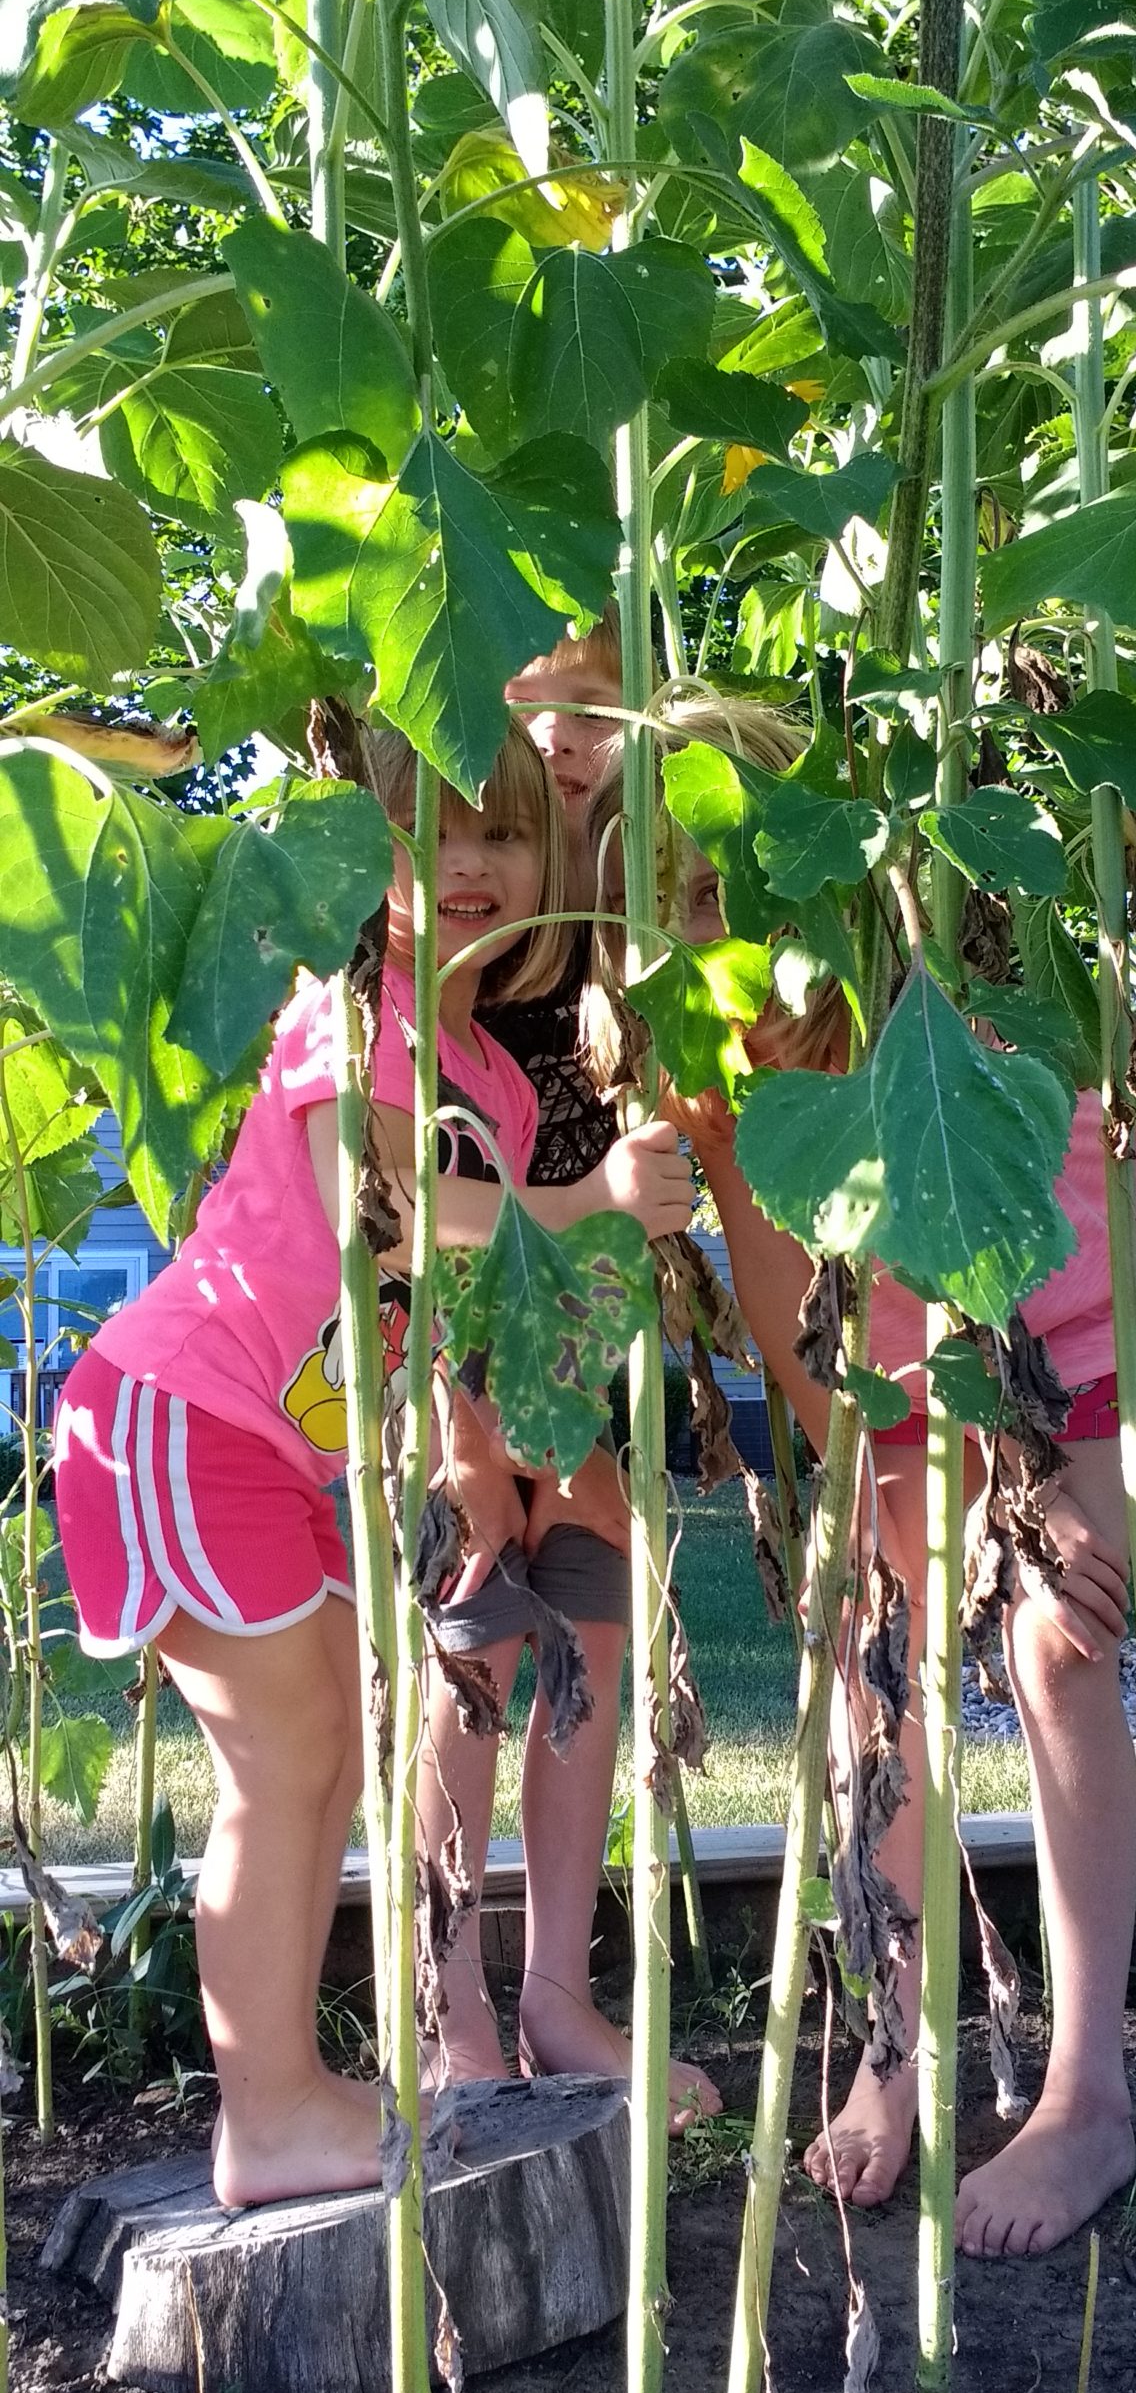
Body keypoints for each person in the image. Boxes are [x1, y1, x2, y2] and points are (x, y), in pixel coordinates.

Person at [588, 691, 1136, 2256]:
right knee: (882, 1675)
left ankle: (1086, 2098)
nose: (716, 928)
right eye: (677, 903)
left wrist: (1024, 1477)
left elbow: (999, 1250)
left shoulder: (912, 999)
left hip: (1076, 1306)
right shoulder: (714, 1082)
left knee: (1063, 1638)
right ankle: (899, 2050)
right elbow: (805, 1350)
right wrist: (881, 1527)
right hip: (901, 1364)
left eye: (735, 885)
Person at [52, 720, 695, 2209]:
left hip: (291, 1453)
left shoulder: (496, 1075)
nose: (473, 862)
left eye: (508, 834)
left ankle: (286, 2095)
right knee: (285, 1771)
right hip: (186, 1417)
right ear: (370, 855)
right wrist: (589, 1196)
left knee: (331, 1760)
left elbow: (481, 1294)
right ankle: (266, 2109)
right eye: (437, 828)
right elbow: (382, 1215)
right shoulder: (345, 1013)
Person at [419, 613, 721, 2127]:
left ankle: (554, 1991)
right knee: (478, 1622)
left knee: (588, 1611)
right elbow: (409, 1192)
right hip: (463, 1311)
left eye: (607, 708)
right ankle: (447, 1995)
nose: (578, 740)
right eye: (548, 706)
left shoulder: (635, 889)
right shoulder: (468, 888)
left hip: (590, 1307)